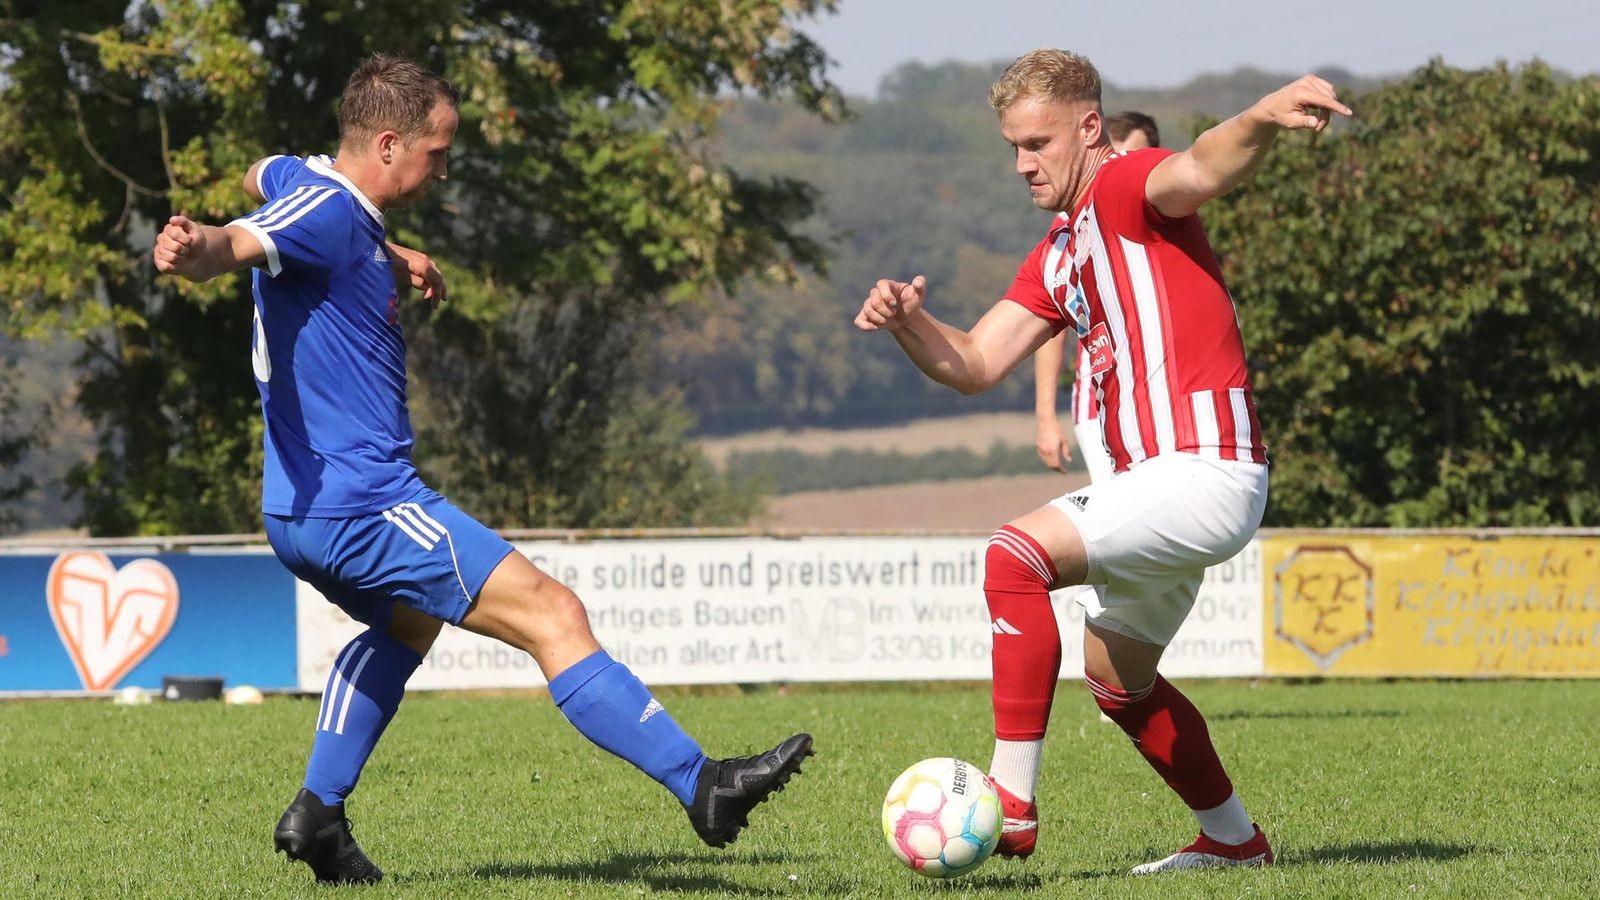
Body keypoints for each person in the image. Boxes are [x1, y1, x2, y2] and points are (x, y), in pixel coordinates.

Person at [152, 55, 812, 885]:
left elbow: (263, 175)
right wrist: (198, 250)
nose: (444, 167)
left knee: (407, 627)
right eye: (437, 151)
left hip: (297, 510)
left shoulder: (314, 186)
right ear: (387, 145)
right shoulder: (320, 207)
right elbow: (238, 243)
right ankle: (702, 784)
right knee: (553, 612)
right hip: (365, 503)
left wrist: (386, 255)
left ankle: (318, 816)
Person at [854, 49, 1349, 874]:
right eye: (1013, 146)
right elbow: (974, 362)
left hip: (1202, 468)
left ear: (1089, 129)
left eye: (1038, 142)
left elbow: (1196, 169)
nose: (1023, 163)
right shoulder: (1058, 250)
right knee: (1117, 682)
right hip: (1157, 488)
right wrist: (910, 322)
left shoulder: (1124, 184)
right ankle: (1235, 842)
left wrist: (1261, 117)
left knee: (1013, 557)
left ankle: (1010, 804)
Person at [1032, 111, 1161, 483]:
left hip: (1164, 398)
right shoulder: (1070, 225)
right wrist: (1045, 417)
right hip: (1102, 401)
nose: (1119, 168)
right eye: (1114, 155)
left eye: (1132, 158)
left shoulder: (1166, 214)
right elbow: (1050, 320)